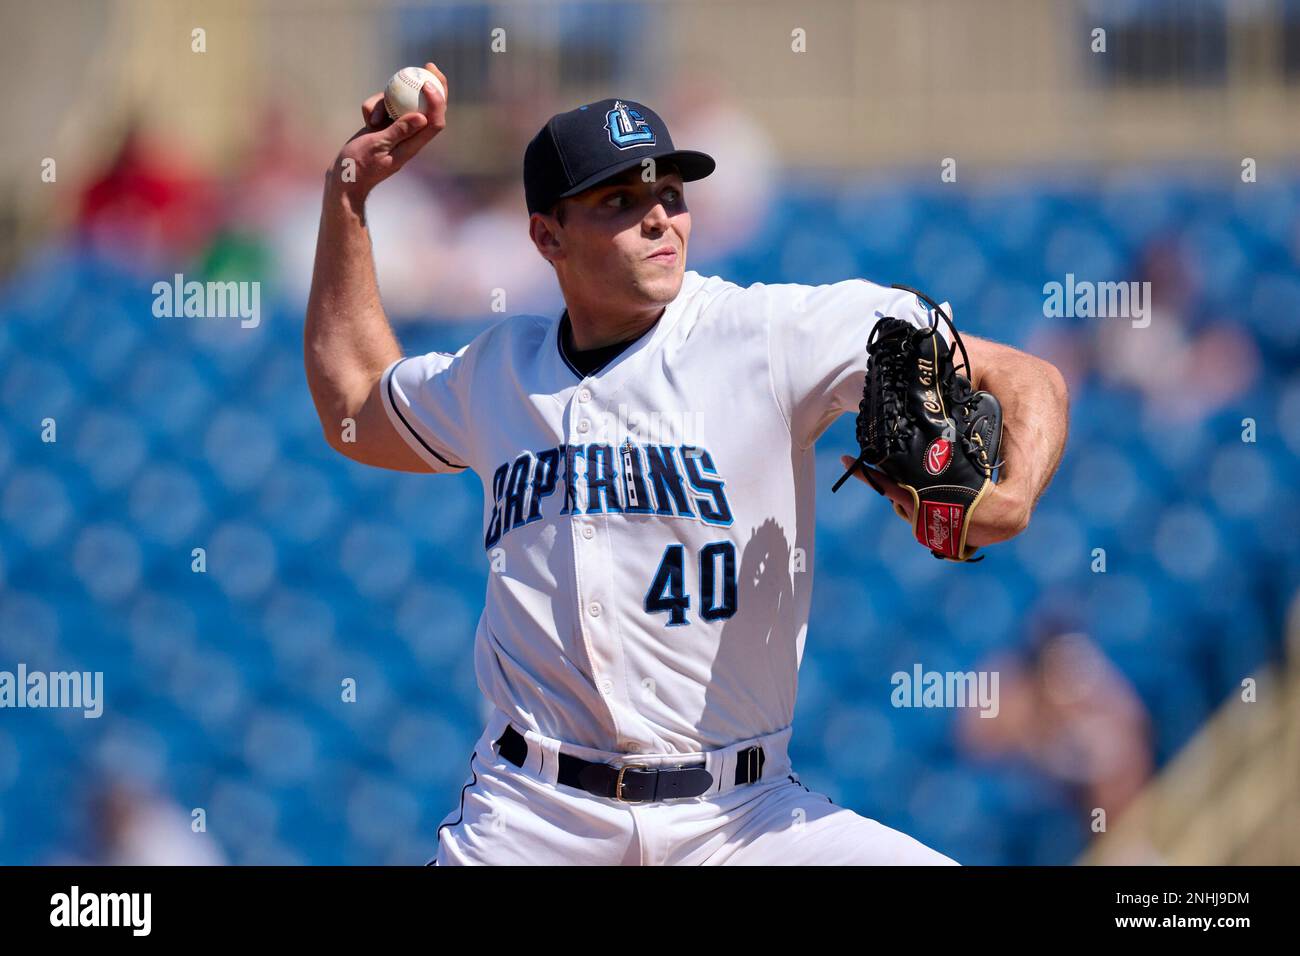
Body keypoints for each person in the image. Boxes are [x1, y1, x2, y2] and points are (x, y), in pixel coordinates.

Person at [304, 63, 1069, 865]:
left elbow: (1025, 376)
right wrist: (348, 194)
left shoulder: (767, 335)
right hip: (534, 819)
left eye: (671, 193)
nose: (660, 219)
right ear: (546, 236)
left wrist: (1012, 496)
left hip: (742, 820)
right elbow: (354, 407)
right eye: (620, 201)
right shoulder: (497, 373)